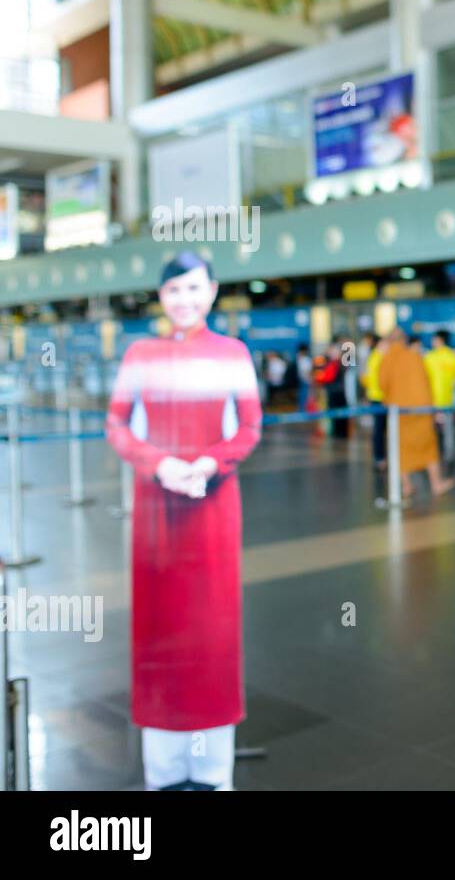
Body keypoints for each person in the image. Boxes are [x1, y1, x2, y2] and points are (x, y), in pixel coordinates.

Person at [104, 250, 262, 791]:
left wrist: (209, 463)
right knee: (158, 629)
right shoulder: (140, 354)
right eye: (174, 290)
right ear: (161, 296)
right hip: (156, 511)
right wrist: (160, 464)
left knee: (213, 631)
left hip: (213, 510)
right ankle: (164, 770)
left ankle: (214, 772)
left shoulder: (232, 354)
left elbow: (249, 428)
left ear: (212, 292)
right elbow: (117, 424)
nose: (184, 300)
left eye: (194, 288)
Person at [378, 327, 455, 500]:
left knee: (401, 449)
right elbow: (426, 382)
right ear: (404, 340)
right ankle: (436, 483)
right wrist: (432, 408)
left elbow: (382, 384)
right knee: (428, 447)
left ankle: (406, 486)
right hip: (421, 410)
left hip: (400, 412)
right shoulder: (415, 357)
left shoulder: (387, 359)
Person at [424, 329, 455, 470]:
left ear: (439, 340)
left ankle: (432, 458)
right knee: (449, 431)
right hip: (449, 401)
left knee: (431, 432)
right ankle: (449, 458)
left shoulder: (429, 357)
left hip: (431, 402)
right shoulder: (454, 358)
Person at [361, 332, 386, 468]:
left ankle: (380, 457)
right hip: (380, 397)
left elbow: (365, 378)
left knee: (379, 428)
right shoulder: (379, 357)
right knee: (380, 429)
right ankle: (380, 457)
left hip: (375, 396)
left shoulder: (373, 357)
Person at [315, 338, 348, 438]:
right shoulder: (340, 363)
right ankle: (340, 432)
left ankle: (338, 432)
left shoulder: (334, 364)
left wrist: (319, 377)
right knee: (340, 413)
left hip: (334, 392)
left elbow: (327, 377)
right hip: (339, 392)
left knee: (335, 413)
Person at [295, 343, 313, 412]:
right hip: (305, 381)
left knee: (302, 397)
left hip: (301, 380)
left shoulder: (298, 358)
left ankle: (302, 410)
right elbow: (307, 372)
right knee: (304, 397)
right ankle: (303, 411)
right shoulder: (305, 359)